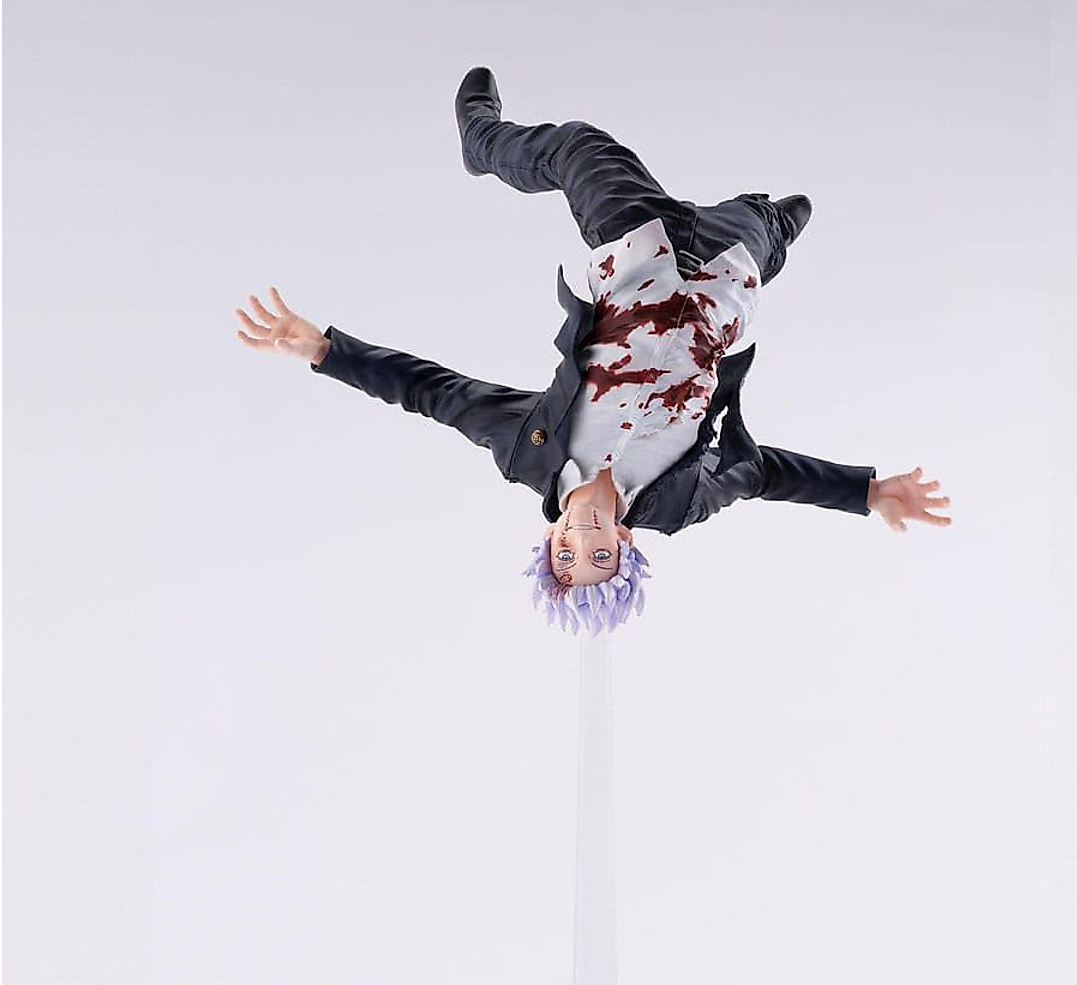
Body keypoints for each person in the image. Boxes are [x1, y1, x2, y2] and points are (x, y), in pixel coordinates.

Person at [235, 67, 952, 634]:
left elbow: (436, 394)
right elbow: (760, 472)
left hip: (634, 249)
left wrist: (327, 351)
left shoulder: (529, 451)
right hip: (725, 275)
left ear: (549, 542)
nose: (582, 539)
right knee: (776, 218)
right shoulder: (681, 503)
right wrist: (865, 492)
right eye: (599, 556)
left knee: (580, 145)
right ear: (626, 549)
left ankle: (481, 142)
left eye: (566, 555)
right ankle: (773, 225)